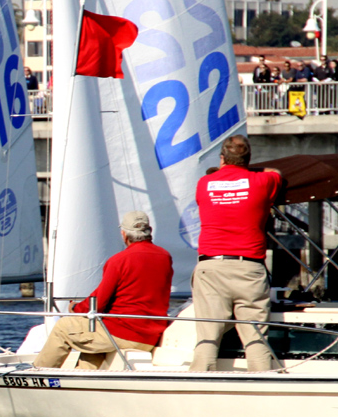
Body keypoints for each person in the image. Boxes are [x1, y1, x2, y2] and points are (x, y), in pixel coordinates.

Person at [33, 211, 174, 369]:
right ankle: (81, 380)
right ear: (149, 231)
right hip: (150, 336)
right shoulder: (164, 257)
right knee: (93, 337)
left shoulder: (119, 261)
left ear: (124, 234)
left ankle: (39, 375)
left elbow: (99, 302)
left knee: (63, 327)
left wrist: (76, 308)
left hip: (123, 333)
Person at [190, 134, 283, 372]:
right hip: (249, 269)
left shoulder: (204, 184)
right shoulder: (262, 181)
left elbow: (212, 184)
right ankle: (263, 391)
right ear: (248, 160)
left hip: (212, 269)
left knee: (207, 338)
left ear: (222, 158)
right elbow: (277, 173)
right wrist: (251, 169)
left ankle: (197, 392)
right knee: (255, 341)